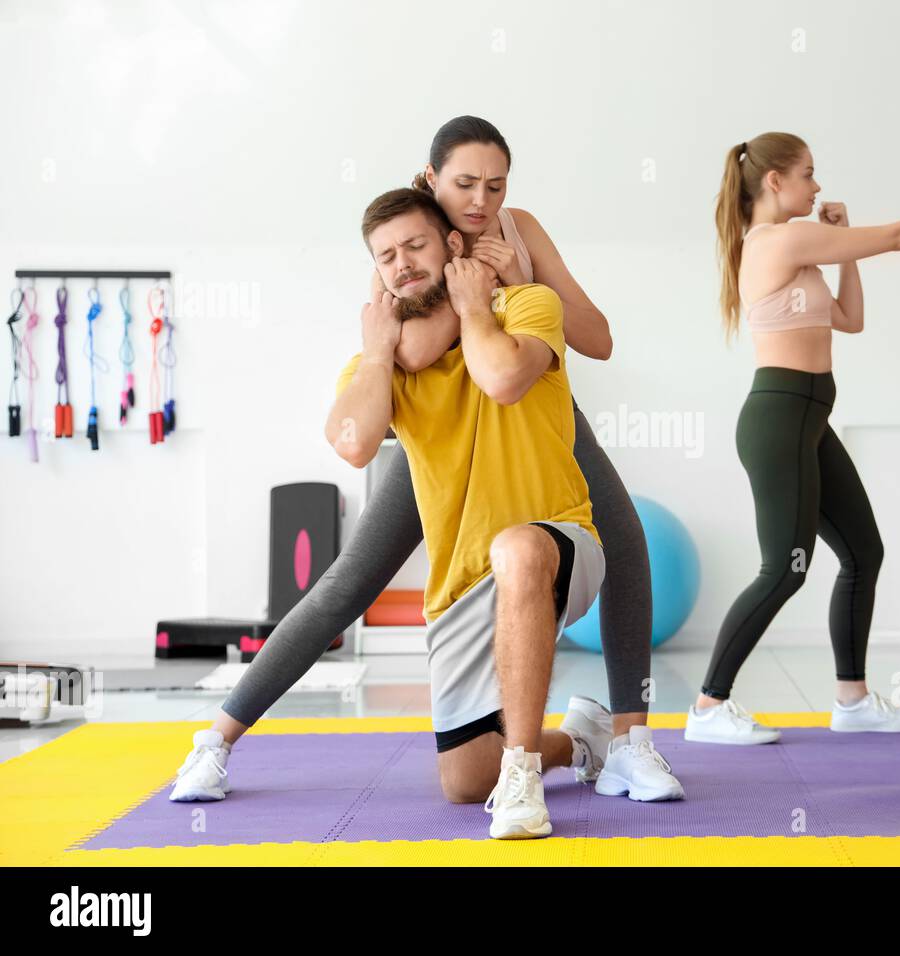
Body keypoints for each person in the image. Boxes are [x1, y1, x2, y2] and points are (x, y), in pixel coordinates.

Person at [170, 116, 681, 811]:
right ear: (431, 180)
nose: (481, 199)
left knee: (624, 545)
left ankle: (628, 743)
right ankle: (218, 739)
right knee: (348, 583)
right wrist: (473, 286)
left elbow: (599, 337)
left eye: (495, 185)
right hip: (438, 430)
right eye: (465, 183)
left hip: (521, 408)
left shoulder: (516, 229)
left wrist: (521, 281)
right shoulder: (410, 237)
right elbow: (406, 351)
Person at [687, 131, 900, 745]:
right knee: (785, 569)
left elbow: (851, 320)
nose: (817, 187)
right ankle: (709, 707)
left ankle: (852, 699)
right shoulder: (780, 240)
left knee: (863, 553)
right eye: (809, 174)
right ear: (775, 181)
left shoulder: (799, 249)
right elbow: (897, 237)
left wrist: (843, 249)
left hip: (807, 421)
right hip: (780, 418)